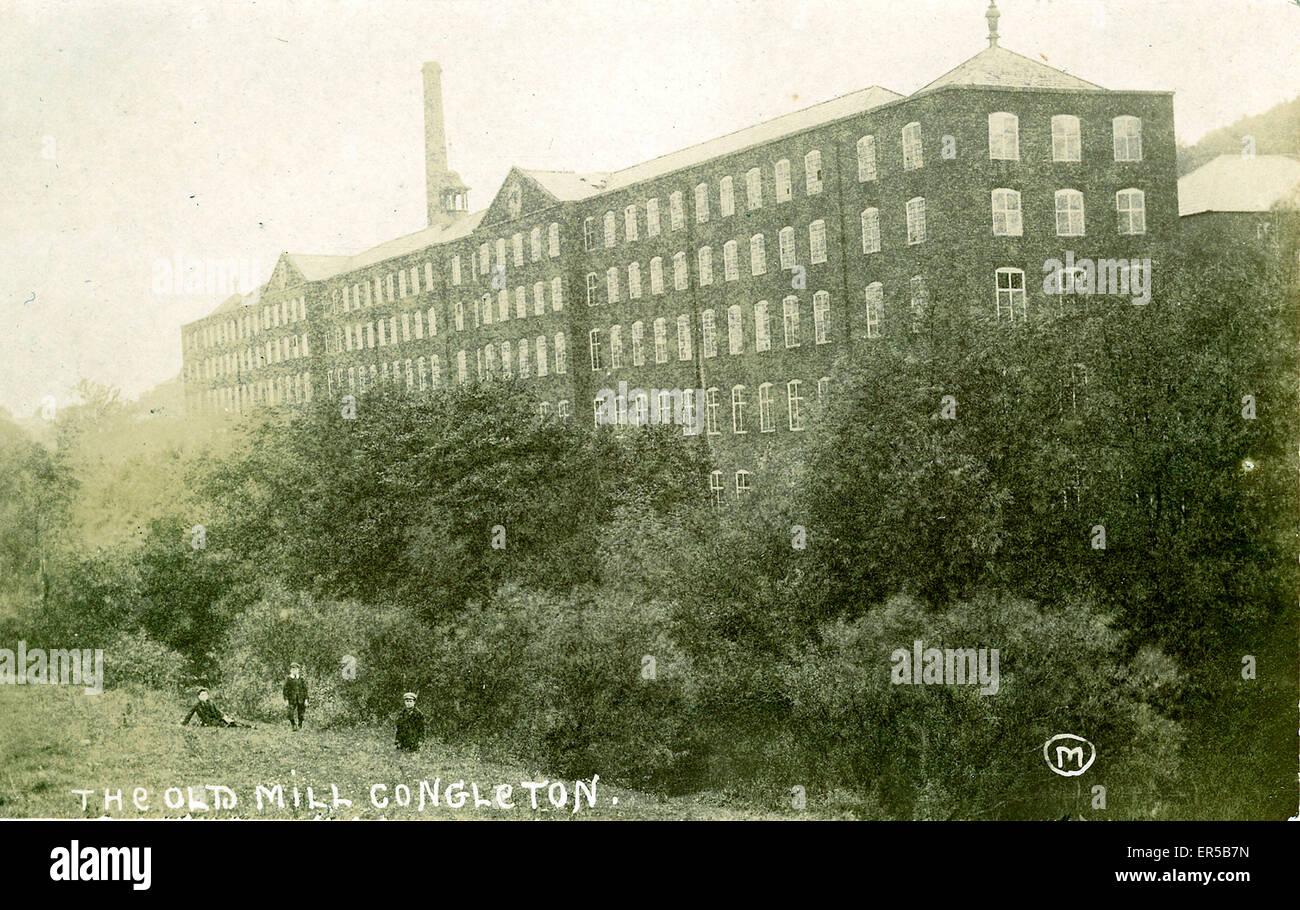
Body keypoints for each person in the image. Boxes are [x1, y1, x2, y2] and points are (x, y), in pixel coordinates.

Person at [181, 688, 251, 727]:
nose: (204, 697)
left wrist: (225, 717)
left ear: (208, 696)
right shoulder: (197, 705)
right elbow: (189, 714)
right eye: (202, 695)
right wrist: (184, 723)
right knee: (225, 725)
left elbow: (218, 712)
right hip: (208, 722)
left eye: (205, 695)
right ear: (199, 697)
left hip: (216, 719)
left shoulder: (211, 703)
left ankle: (247, 726)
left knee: (231, 722)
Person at [283, 662, 308, 730]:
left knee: (301, 713)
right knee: (290, 713)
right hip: (291, 699)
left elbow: (305, 690)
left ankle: (300, 725)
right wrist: (286, 700)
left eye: (296, 669)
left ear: (298, 670)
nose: (295, 671)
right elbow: (285, 690)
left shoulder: (301, 679)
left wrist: (306, 699)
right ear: (291, 670)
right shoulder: (288, 679)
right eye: (293, 669)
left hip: (300, 698)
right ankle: (293, 724)